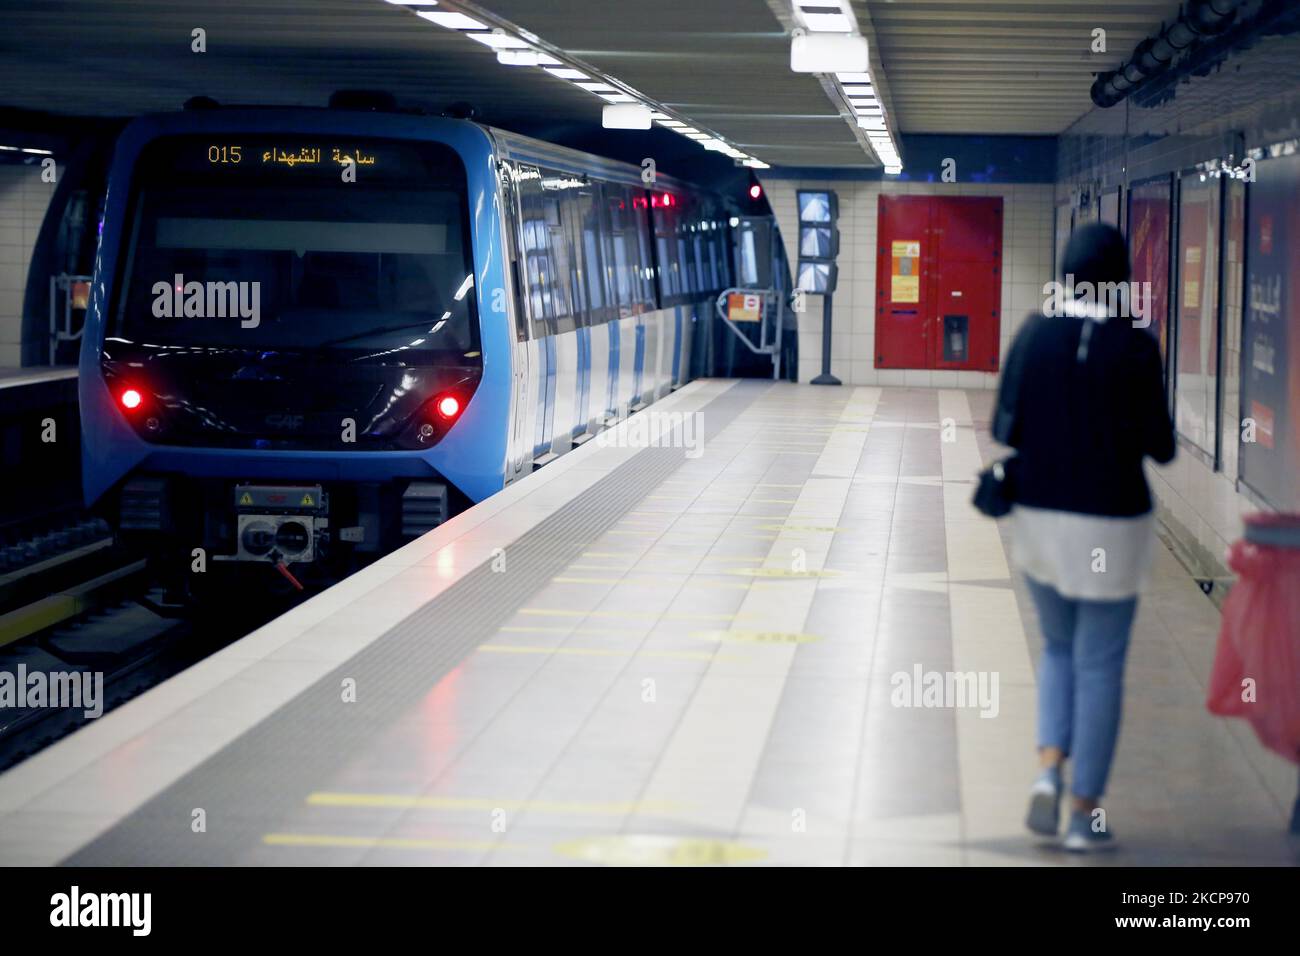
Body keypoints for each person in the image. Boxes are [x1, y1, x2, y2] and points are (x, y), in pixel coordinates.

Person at [995, 222, 1176, 852]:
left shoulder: (1034, 333)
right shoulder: (1136, 346)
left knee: (1057, 648)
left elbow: (1004, 428)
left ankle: (1048, 768)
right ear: (1122, 277)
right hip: (1114, 523)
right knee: (1100, 665)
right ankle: (1084, 816)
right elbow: (1163, 447)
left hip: (1041, 520)